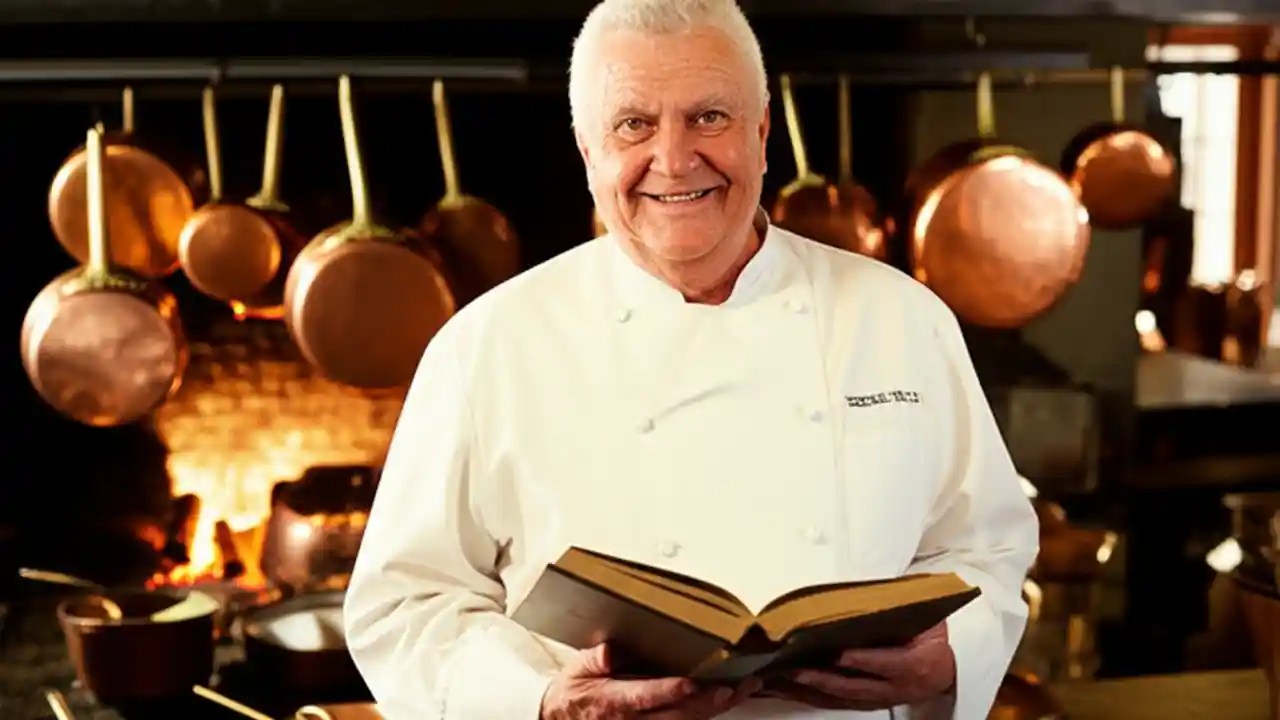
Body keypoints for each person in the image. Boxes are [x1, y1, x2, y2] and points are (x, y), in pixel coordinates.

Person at [342, 0, 1040, 717]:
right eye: (633, 124)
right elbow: (404, 606)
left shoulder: (901, 317)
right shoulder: (485, 345)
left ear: (763, 134)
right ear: (589, 153)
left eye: (709, 117)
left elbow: (987, 552)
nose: (674, 160)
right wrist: (544, 700)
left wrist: (954, 649)